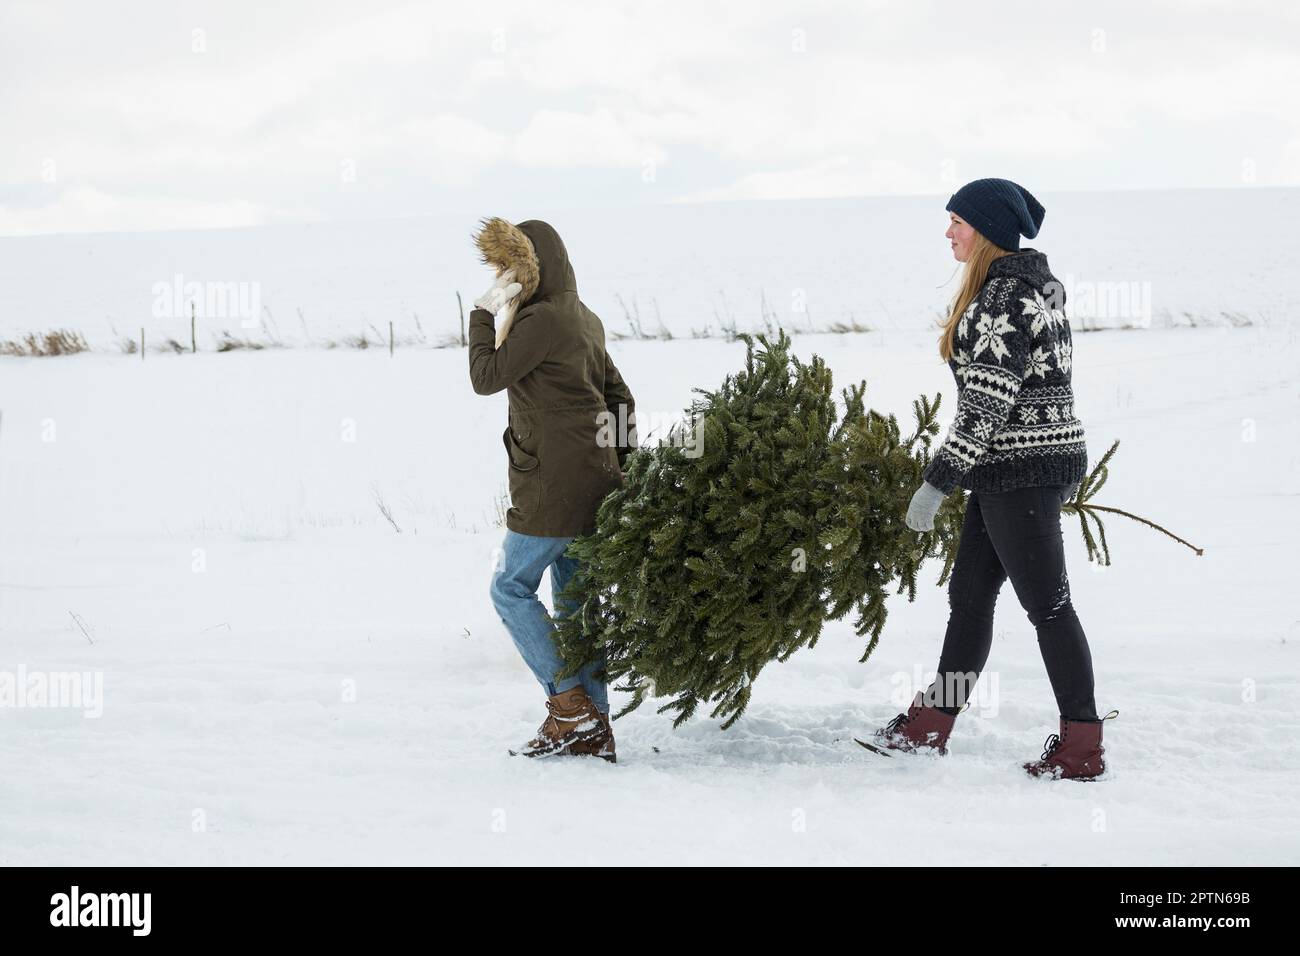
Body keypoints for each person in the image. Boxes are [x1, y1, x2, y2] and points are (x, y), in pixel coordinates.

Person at [870, 179, 1117, 780]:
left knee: (1049, 607)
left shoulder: (1000, 300)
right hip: (1021, 465)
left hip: (1018, 471)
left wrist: (936, 483)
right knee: (970, 599)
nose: (949, 232)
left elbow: (985, 408)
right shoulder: (1037, 288)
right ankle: (931, 723)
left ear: (987, 232)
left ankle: (1082, 748)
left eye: (958, 221)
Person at [468, 217, 636, 763]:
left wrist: (482, 312)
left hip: (550, 484)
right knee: (577, 605)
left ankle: (570, 709)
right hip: (597, 481)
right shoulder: (585, 318)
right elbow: (621, 397)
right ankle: (595, 727)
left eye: (508, 267)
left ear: (530, 266)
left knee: (510, 588)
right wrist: (622, 468)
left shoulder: (538, 320)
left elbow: (485, 376)